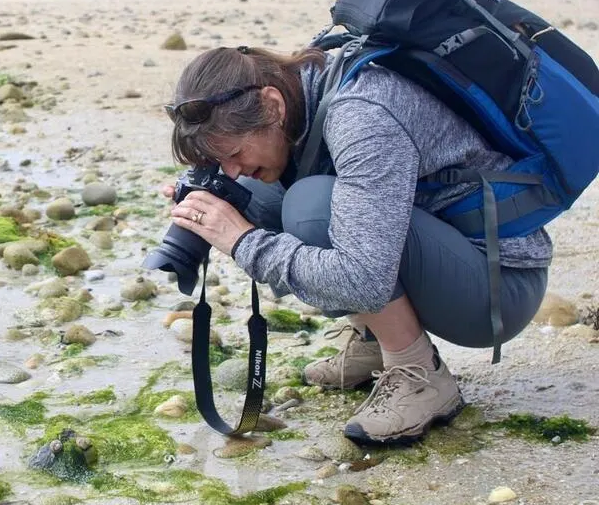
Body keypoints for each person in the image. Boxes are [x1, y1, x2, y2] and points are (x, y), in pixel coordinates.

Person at [162, 44, 550, 444]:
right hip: (447, 252)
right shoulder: (301, 89)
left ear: (272, 106)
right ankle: (375, 340)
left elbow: (363, 280)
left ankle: (418, 375)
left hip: (496, 287)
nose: (232, 168)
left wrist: (242, 240)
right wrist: (210, 200)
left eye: (234, 153)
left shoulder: (361, 112)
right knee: (254, 194)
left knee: (311, 207)